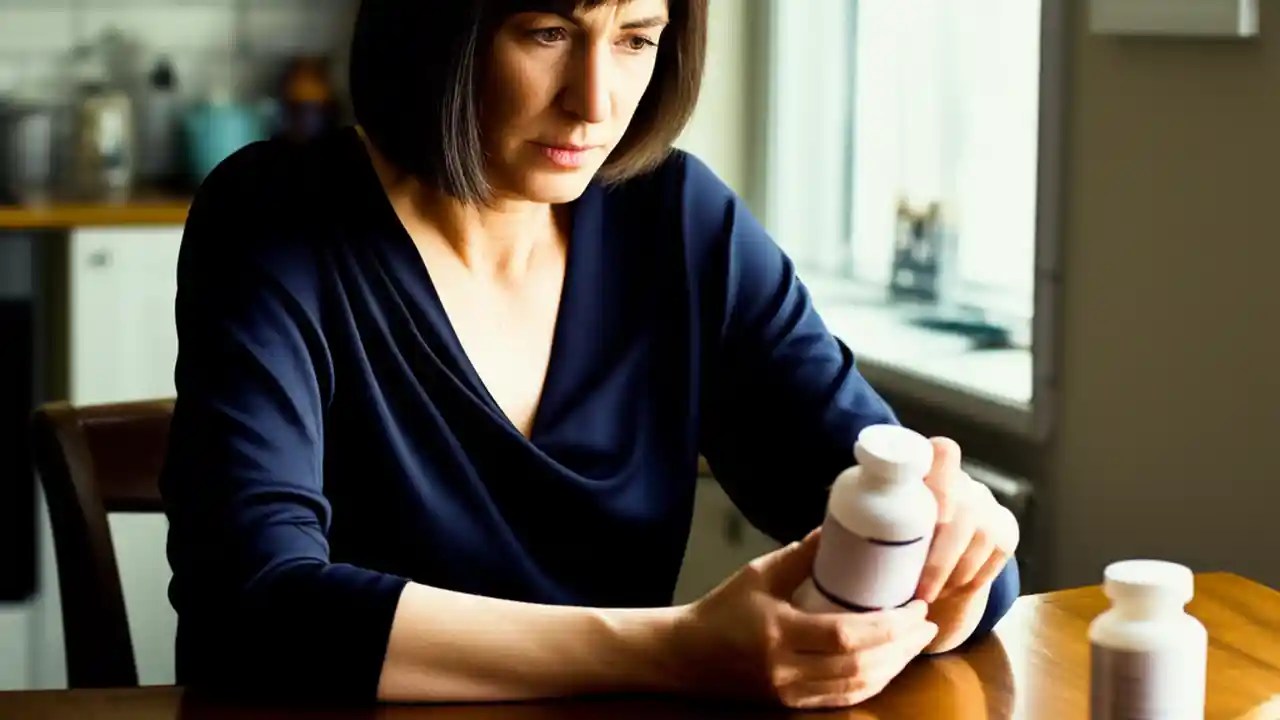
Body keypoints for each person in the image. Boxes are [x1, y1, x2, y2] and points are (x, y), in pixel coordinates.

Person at [159, 0, 1020, 710]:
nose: (596, 102)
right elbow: (251, 609)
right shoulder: (274, 219)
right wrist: (675, 649)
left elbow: (914, 535)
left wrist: (954, 547)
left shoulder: (680, 221)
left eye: (637, 39)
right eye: (548, 34)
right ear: (434, 27)